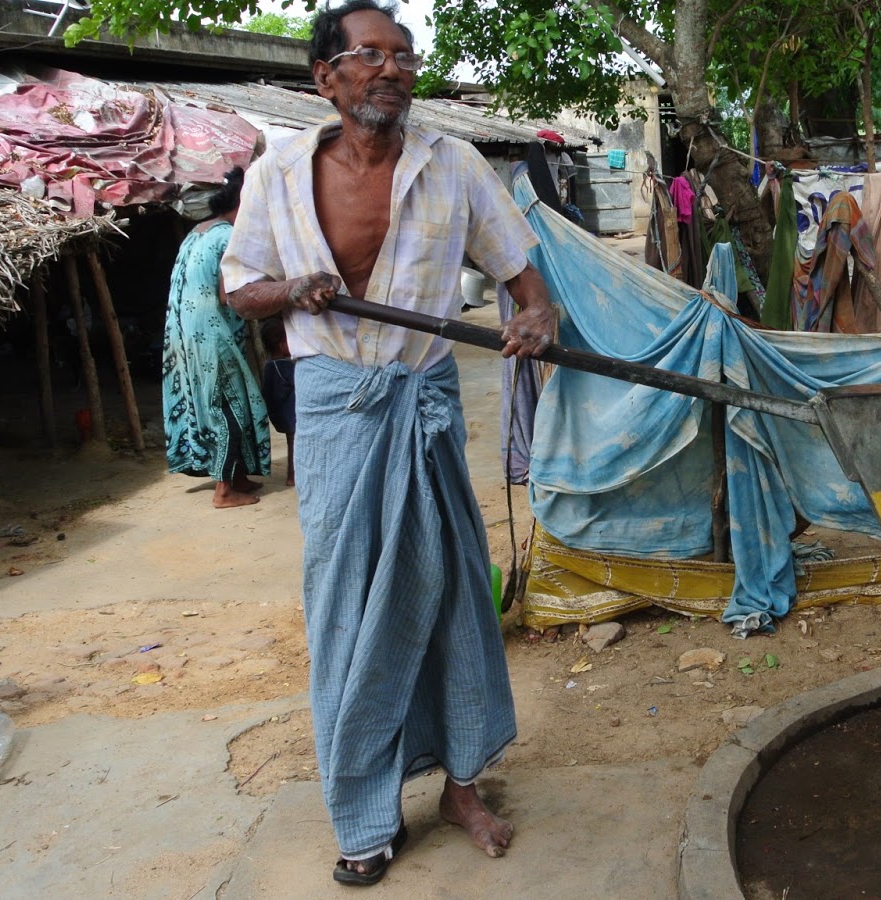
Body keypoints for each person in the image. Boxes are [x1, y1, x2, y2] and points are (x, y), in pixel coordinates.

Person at [220, 0, 557, 885]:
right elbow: (241, 288)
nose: (394, 69)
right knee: (347, 605)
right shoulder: (280, 173)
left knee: (448, 592)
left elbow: (520, 270)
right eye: (370, 54)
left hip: (424, 397)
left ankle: (462, 783)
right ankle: (364, 812)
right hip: (334, 406)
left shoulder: (455, 165)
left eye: (404, 56)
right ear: (324, 76)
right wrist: (296, 286)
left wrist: (536, 312)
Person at [161, 167, 270, 508]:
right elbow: (229, 295)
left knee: (213, 403)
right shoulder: (229, 237)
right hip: (212, 336)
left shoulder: (198, 232)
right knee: (229, 406)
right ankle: (224, 491)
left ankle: (237, 476)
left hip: (183, 334)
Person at [258, 319, 296, 486]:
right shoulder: (287, 366)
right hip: (292, 415)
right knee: (295, 446)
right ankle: (293, 476)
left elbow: (266, 393)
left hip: (279, 414)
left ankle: (292, 475)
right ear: (282, 344)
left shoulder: (268, 366)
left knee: (292, 444)